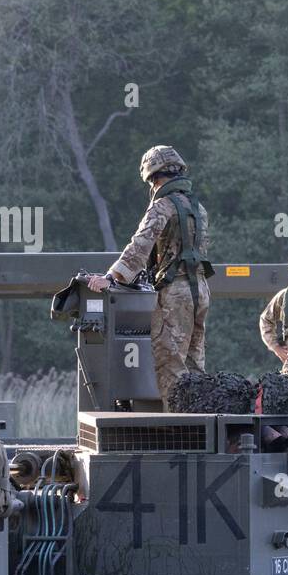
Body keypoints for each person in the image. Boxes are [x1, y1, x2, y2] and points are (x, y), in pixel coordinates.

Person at [86, 146, 213, 410]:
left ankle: (179, 434)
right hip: (200, 290)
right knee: (195, 366)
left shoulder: (161, 207)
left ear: (153, 178)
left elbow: (140, 245)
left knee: (171, 368)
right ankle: (198, 428)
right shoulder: (197, 209)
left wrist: (112, 277)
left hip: (175, 294)